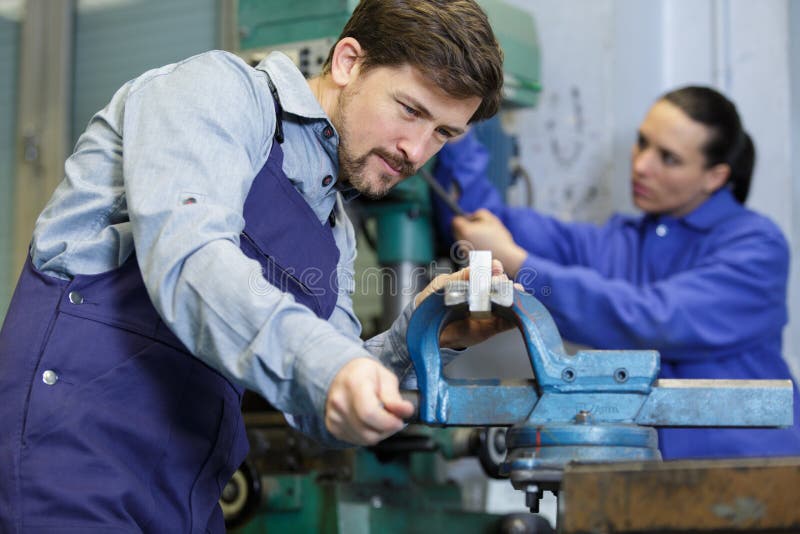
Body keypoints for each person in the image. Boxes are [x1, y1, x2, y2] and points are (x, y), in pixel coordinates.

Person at [0, 1, 506, 530]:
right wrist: (332, 366)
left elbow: (316, 409)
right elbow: (189, 261)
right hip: (70, 458)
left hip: (185, 495)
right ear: (348, 62)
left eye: (444, 134)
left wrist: (420, 332)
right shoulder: (216, 92)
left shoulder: (334, 232)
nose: (416, 150)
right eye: (410, 110)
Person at [433, 85, 800, 460]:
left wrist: (518, 264)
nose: (641, 165)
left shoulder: (756, 246)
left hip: (756, 475)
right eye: (642, 143)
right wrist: (454, 123)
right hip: (655, 481)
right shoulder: (624, 242)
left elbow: (656, 319)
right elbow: (485, 223)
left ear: (715, 177)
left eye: (668, 158)